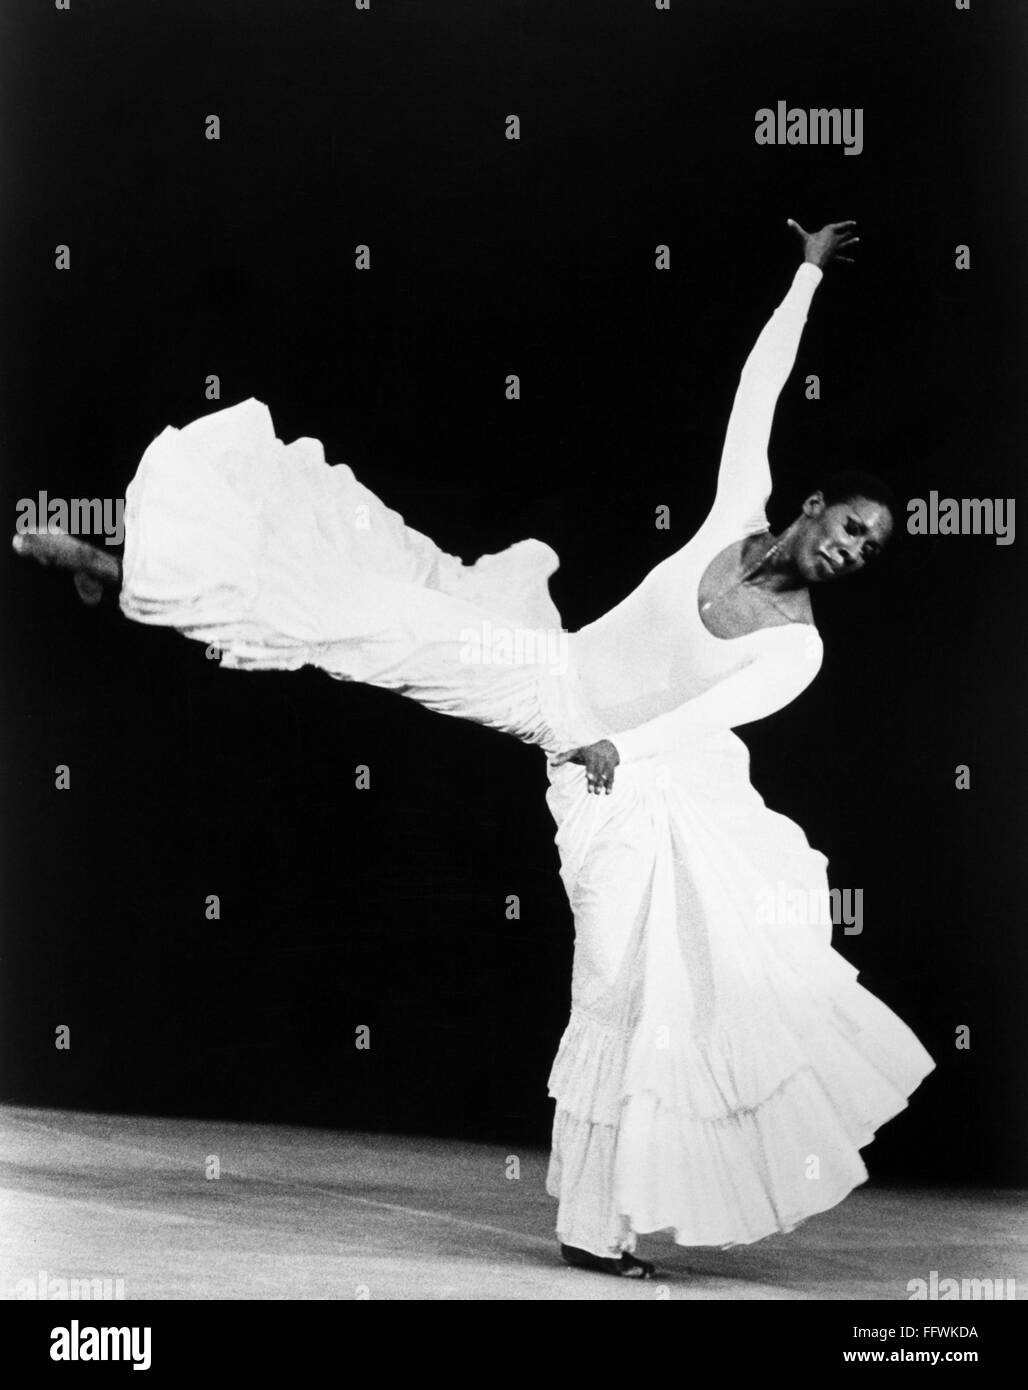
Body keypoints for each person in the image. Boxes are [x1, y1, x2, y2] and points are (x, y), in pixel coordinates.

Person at [12, 219, 934, 1280]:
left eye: (868, 548)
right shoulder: (736, 509)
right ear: (813, 504)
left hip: (630, 785)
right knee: (378, 611)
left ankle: (599, 1226)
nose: (850, 548)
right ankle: (131, 572)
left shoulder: (795, 653)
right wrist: (806, 272)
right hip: (548, 671)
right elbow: (758, 383)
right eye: (850, 523)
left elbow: (680, 728)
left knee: (619, 993)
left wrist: (593, 742)